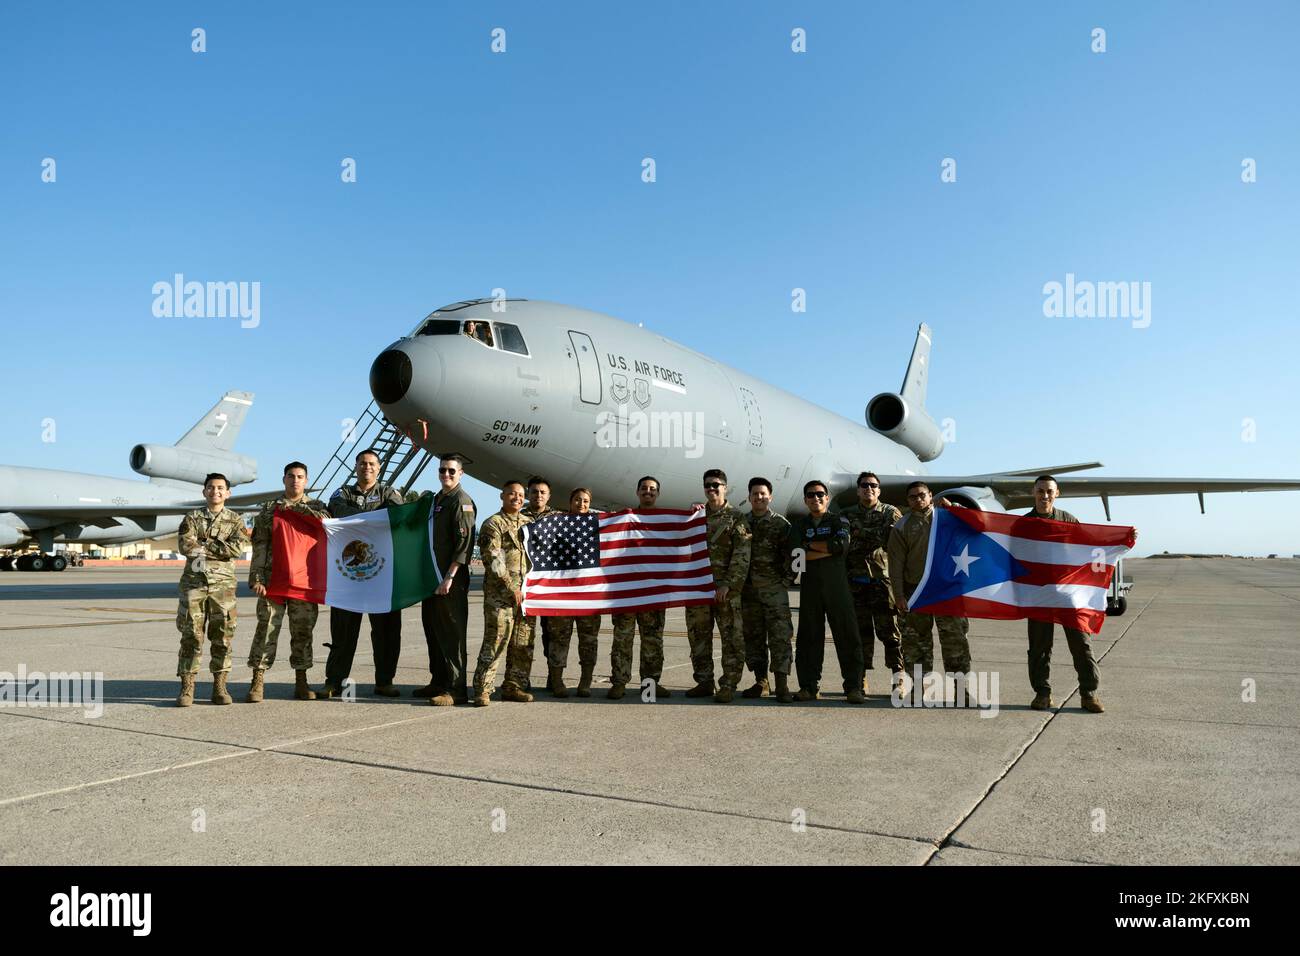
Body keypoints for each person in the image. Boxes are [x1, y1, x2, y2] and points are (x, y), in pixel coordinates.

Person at [318, 449, 406, 699]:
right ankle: (334, 681)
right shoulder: (343, 493)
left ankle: (384, 681)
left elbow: (397, 515)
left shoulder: (389, 493)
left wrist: (359, 521)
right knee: (343, 632)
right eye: (362, 463)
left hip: (382, 577)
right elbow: (337, 510)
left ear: (379, 468)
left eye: (371, 464)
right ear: (356, 467)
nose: (366, 467)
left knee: (387, 632)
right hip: (348, 578)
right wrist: (372, 519)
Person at [245, 461, 329, 703]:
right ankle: (257, 680)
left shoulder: (318, 508)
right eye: (291, 476)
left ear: (306, 480)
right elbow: (260, 544)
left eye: (300, 476)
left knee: (303, 631)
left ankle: (301, 681)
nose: (295, 480)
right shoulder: (270, 509)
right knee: (267, 629)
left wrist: (299, 509)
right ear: (284, 479)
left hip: (304, 581)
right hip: (273, 580)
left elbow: (326, 525)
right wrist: (256, 577)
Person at [1023, 475, 1105, 713]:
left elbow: (1090, 547)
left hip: (1069, 595)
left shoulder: (1068, 521)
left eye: (1049, 491)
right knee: (1039, 648)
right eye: (1040, 491)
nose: (1044, 496)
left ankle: (1089, 694)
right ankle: (1042, 693)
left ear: (1057, 493)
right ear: (1033, 492)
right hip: (1038, 595)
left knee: (1082, 644)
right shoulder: (1024, 524)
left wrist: (1123, 539)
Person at [887, 481, 974, 703]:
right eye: (913, 497)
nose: (918, 499)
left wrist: (954, 506)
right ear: (908, 501)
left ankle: (961, 689)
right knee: (916, 644)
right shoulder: (902, 526)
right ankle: (918, 689)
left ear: (930, 495)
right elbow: (895, 564)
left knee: (955, 641)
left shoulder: (948, 518)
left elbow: (976, 524)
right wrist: (898, 595)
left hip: (947, 592)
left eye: (922, 495)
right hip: (916, 592)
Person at [174, 473, 248, 707]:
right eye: (210, 487)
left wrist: (205, 543)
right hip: (194, 585)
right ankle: (187, 688)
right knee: (191, 637)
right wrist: (217, 547)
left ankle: (220, 686)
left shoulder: (235, 520)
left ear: (228, 493)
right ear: (204, 491)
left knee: (222, 637)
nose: (215, 491)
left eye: (220, 488)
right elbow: (187, 546)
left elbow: (237, 548)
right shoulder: (192, 517)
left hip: (223, 588)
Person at [788, 480, 865, 704]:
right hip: (810, 588)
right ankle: (808, 687)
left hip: (837, 587)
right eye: (810, 495)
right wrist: (826, 549)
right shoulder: (799, 525)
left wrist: (809, 546)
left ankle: (854, 687)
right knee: (808, 638)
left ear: (827, 498)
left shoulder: (839, 520)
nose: (816, 498)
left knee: (847, 636)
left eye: (820, 494)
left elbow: (841, 547)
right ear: (805, 500)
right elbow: (796, 558)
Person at [684, 469, 751, 703]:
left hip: (725, 590)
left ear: (725, 487)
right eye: (707, 486)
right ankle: (704, 681)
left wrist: (728, 585)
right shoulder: (695, 518)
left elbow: (742, 554)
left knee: (732, 638)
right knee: (698, 637)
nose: (711, 489)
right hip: (698, 588)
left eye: (716, 485)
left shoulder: (736, 517)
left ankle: (729, 684)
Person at [416, 454, 476, 706]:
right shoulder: (437, 500)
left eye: (451, 471)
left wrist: (449, 577)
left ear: (460, 473)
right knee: (433, 630)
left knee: (452, 634)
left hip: (449, 581)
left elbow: (464, 544)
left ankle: (456, 689)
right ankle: (439, 680)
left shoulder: (461, 502)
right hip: (432, 578)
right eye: (442, 470)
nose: (446, 475)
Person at [471, 481, 534, 705]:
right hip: (501, 596)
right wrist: (512, 587)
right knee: (495, 642)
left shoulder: (529, 523)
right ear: (502, 495)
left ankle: (513, 686)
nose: (516, 498)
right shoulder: (493, 524)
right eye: (511, 494)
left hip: (526, 595)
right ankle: (483, 689)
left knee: (522, 643)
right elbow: (493, 560)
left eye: (520, 495)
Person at [842, 470, 904, 695]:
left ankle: (898, 678)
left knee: (891, 634)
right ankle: (861, 679)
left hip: (882, 584)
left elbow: (896, 546)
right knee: (860, 635)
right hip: (856, 584)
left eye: (873, 485)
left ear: (879, 490)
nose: (869, 489)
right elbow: (843, 546)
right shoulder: (846, 515)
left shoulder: (891, 513)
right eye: (865, 485)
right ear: (858, 490)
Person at [608, 476, 671, 699]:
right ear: (637, 492)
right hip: (626, 593)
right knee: (622, 640)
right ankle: (619, 683)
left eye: (652, 489)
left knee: (652, 642)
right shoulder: (625, 518)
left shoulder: (665, 521)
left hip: (653, 593)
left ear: (657, 494)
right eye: (644, 488)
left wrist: (694, 513)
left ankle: (650, 686)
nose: (648, 492)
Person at [740, 477, 795, 702]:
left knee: (780, 637)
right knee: (753, 637)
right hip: (749, 592)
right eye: (755, 494)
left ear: (770, 496)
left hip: (774, 591)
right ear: (749, 497)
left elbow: (794, 556)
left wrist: (786, 581)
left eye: (763, 493)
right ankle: (761, 681)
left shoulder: (782, 524)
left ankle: (782, 684)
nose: (759, 497)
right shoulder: (741, 523)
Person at [546, 488, 604, 697]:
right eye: (577, 500)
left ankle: (585, 681)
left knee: (588, 640)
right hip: (562, 593)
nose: (581, 504)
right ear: (570, 502)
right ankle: (557, 681)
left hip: (588, 594)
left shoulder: (597, 523)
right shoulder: (556, 522)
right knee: (559, 638)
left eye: (586, 501)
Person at [523, 476, 558, 677]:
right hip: (526, 584)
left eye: (542, 492)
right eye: (534, 492)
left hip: (549, 586)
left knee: (551, 635)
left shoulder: (558, 518)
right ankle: (521, 678)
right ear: (529, 494)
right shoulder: (519, 517)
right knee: (523, 636)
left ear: (548, 495)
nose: (538, 495)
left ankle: (553, 678)